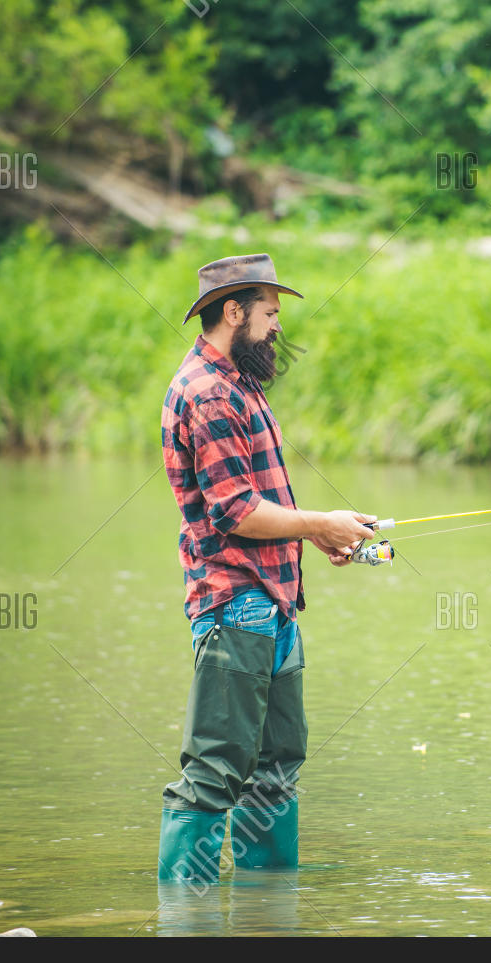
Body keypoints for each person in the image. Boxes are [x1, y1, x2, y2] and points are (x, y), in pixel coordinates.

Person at [157, 253, 376, 882]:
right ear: (235, 312)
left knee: (277, 770)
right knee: (215, 773)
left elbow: (264, 504)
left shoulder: (241, 384)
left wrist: (322, 537)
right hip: (234, 606)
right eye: (270, 311)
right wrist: (319, 522)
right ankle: (184, 918)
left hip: (275, 605)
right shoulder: (207, 394)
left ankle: (269, 913)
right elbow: (234, 512)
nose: (278, 325)